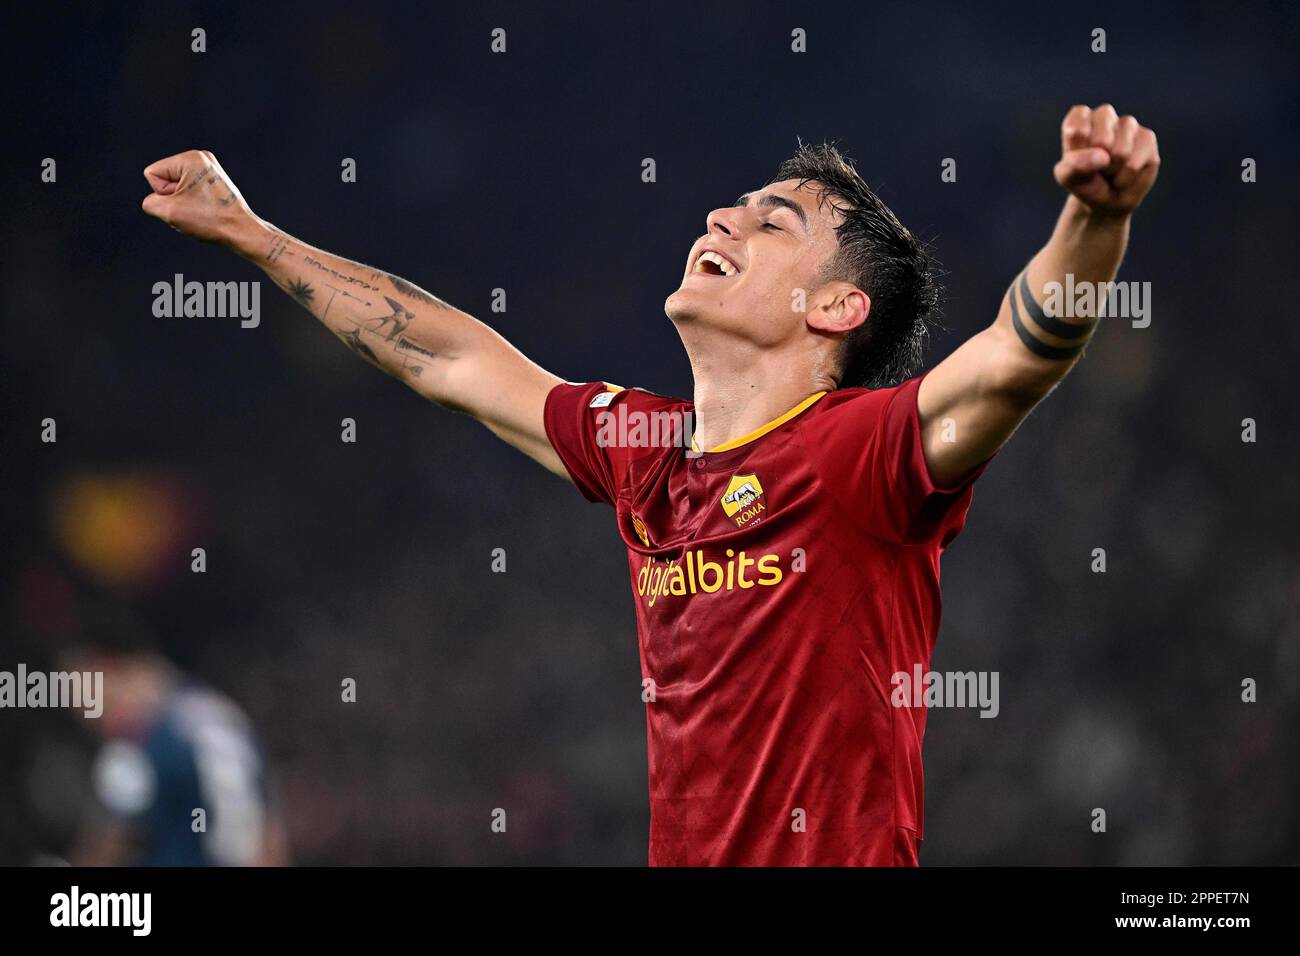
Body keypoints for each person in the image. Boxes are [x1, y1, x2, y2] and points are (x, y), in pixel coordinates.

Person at [141, 104, 1159, 865]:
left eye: (773, 222)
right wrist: (253, 234)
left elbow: (1021, 352)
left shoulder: (860, 452)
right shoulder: (645, 449)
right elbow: (445, 358)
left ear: (838, 305)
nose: (721, 215)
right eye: (735, 206)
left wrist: (1094, 221)